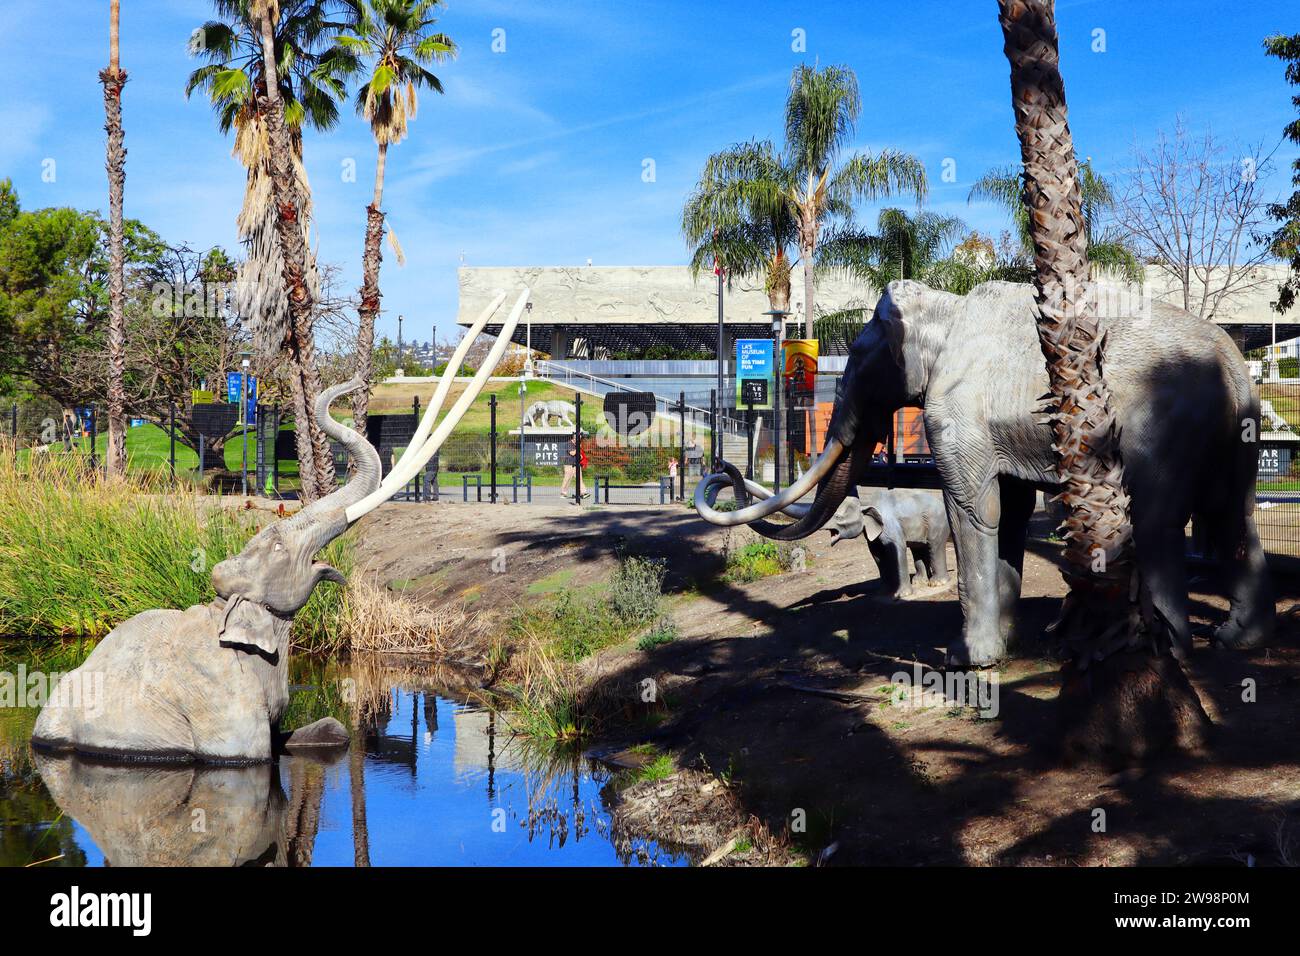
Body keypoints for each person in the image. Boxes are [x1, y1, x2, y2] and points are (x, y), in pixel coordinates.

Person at [559, 434, 589, 503]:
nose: (579, 440)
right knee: (567, 479)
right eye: (578, 439)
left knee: (579, 478)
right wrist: (578, 447)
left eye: (580, 439)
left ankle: (583, 493)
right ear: (574, 438)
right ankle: (563, 493)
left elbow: (579, 454)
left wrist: (580, 456)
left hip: (577, 465)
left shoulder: (577, 445)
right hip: (569, 464)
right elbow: (572, 453)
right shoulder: (569, 444)